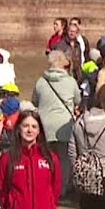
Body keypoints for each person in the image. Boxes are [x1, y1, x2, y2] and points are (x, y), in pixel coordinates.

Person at [33, 49, 80, 198]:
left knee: (46, 158)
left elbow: (35, 101)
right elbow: (78, 100)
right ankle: (61, 189)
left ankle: (47, 185)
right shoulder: (71, 82)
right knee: (64, 159)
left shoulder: (41, 82)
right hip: (64, 126)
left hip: (44, 125)